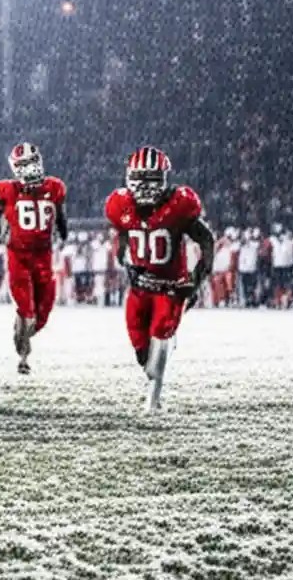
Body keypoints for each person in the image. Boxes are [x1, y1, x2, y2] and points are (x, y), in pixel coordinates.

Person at [104, 146, 213, 412]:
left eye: (151, 179)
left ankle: (153, 402)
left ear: (164, 179)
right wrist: (126, 263)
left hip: (170, 287)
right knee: (141, 351)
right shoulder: (120, 205)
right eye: (139, 178)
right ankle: (160, 359)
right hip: (140, 288)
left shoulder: (179, 205)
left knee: (160, 340)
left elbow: (206, 240)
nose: (144, 186)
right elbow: (122, 237)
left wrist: (196, 278)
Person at [0, 143, 67, 374]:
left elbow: (60, 217)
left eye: (32, 163)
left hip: (44, 255)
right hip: (18, 256)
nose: (30, 169)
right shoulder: (7, 190)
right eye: (24, 165)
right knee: (27, 310)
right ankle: (23, 356)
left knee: (43, 312)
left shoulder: (54, 187)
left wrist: (62, 233)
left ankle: (22, 334)